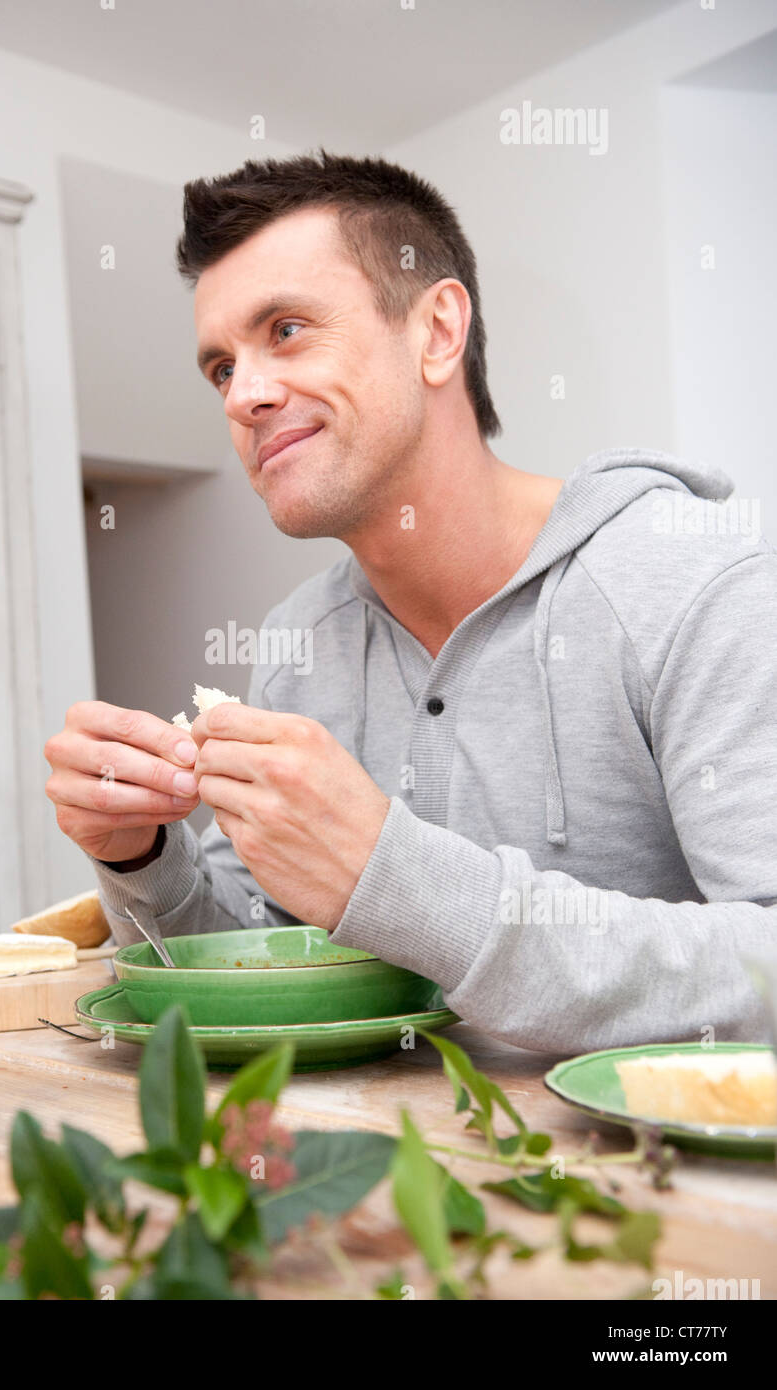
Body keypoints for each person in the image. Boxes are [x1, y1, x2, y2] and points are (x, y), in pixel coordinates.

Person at [44, 151, 776, 1053]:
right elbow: (247, 962)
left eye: (286, 329)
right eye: (220, 368)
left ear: (436, 331)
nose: (245, 394)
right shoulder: (295, 645)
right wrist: (140, 857)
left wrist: (398, 877)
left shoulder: (697, 581)